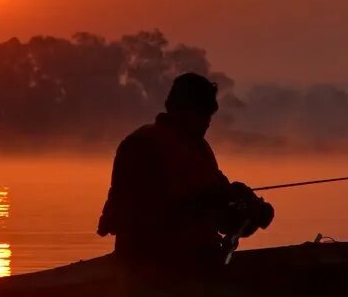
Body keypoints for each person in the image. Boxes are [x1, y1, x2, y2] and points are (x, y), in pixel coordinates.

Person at [98, 72, 273, 272]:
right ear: (182, 111)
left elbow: (223, 220)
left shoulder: (198, 148)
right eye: (203, 114)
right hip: (151, 265)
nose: (208, 122)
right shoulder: (142, 147)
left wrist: (251, 212)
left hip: (199, 260)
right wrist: (210, 200)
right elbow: (145, 217)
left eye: (209, 115)